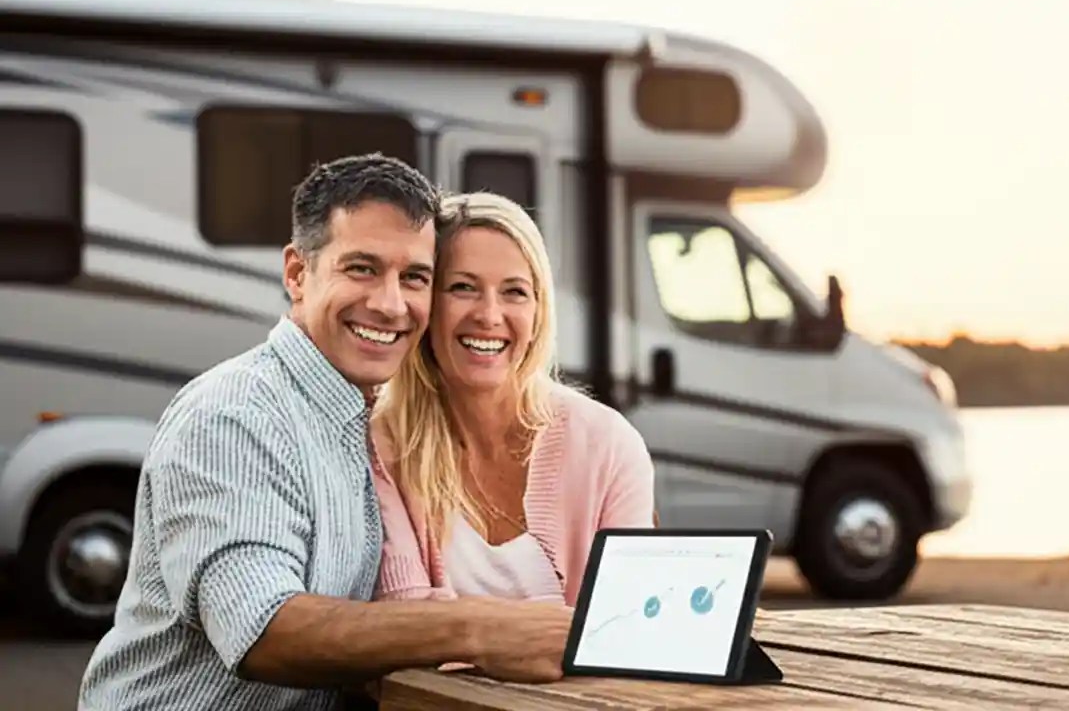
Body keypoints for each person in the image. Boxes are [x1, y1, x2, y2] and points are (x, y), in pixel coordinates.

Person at [78, 155, 575, 711]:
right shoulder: (236, 414)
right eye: (362, 268)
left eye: (414, 277)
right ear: (297, 274)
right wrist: (482, 628)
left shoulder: (368, 419)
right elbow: (263, 630)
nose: (390, 305)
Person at [370, 191, 656, 611]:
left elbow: (629, 617)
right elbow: (406, 617)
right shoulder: (383, 445)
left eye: (515, 292)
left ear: (539, 311)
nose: (489, 315)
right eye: (462, 287)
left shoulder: (607, 442)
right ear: (427, 303)